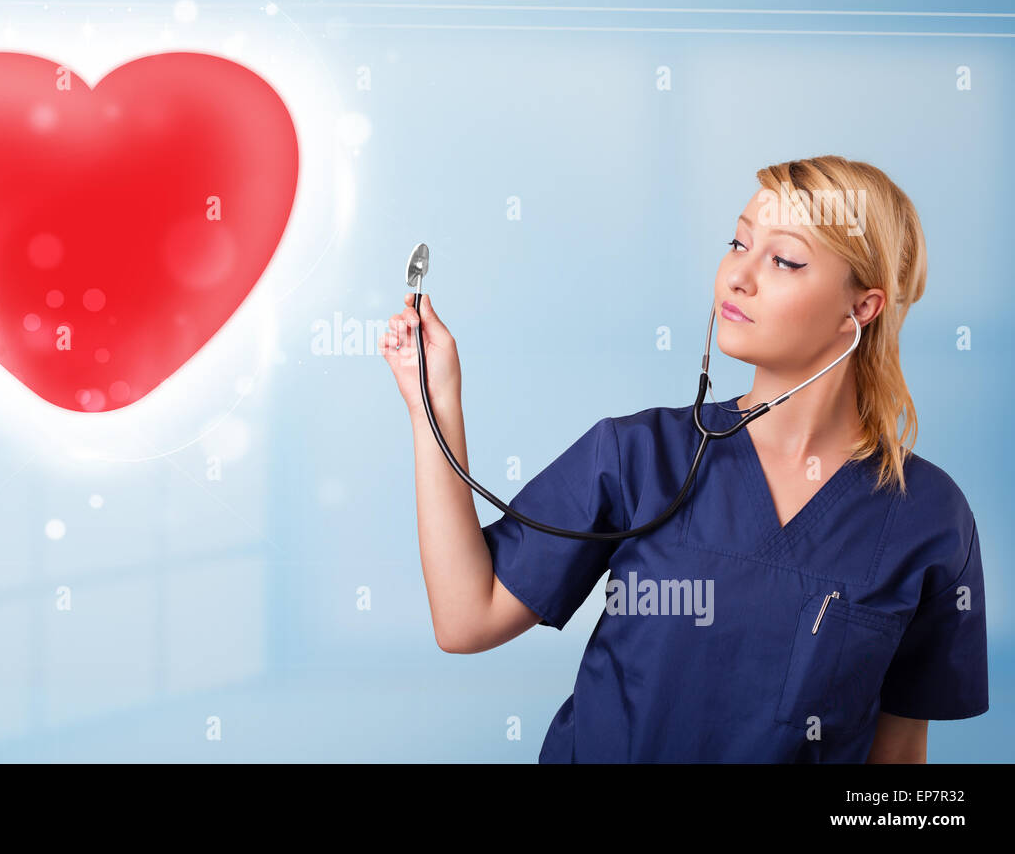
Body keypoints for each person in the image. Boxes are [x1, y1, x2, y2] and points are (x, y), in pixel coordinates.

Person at [380, 155, 988, 763]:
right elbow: (466, 618)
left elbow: (901, 752)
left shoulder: (928, 519)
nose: (737, 277)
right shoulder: (638, 457)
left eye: (784, 260)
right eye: (739, 243)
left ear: (862, 308)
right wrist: (431, 406)